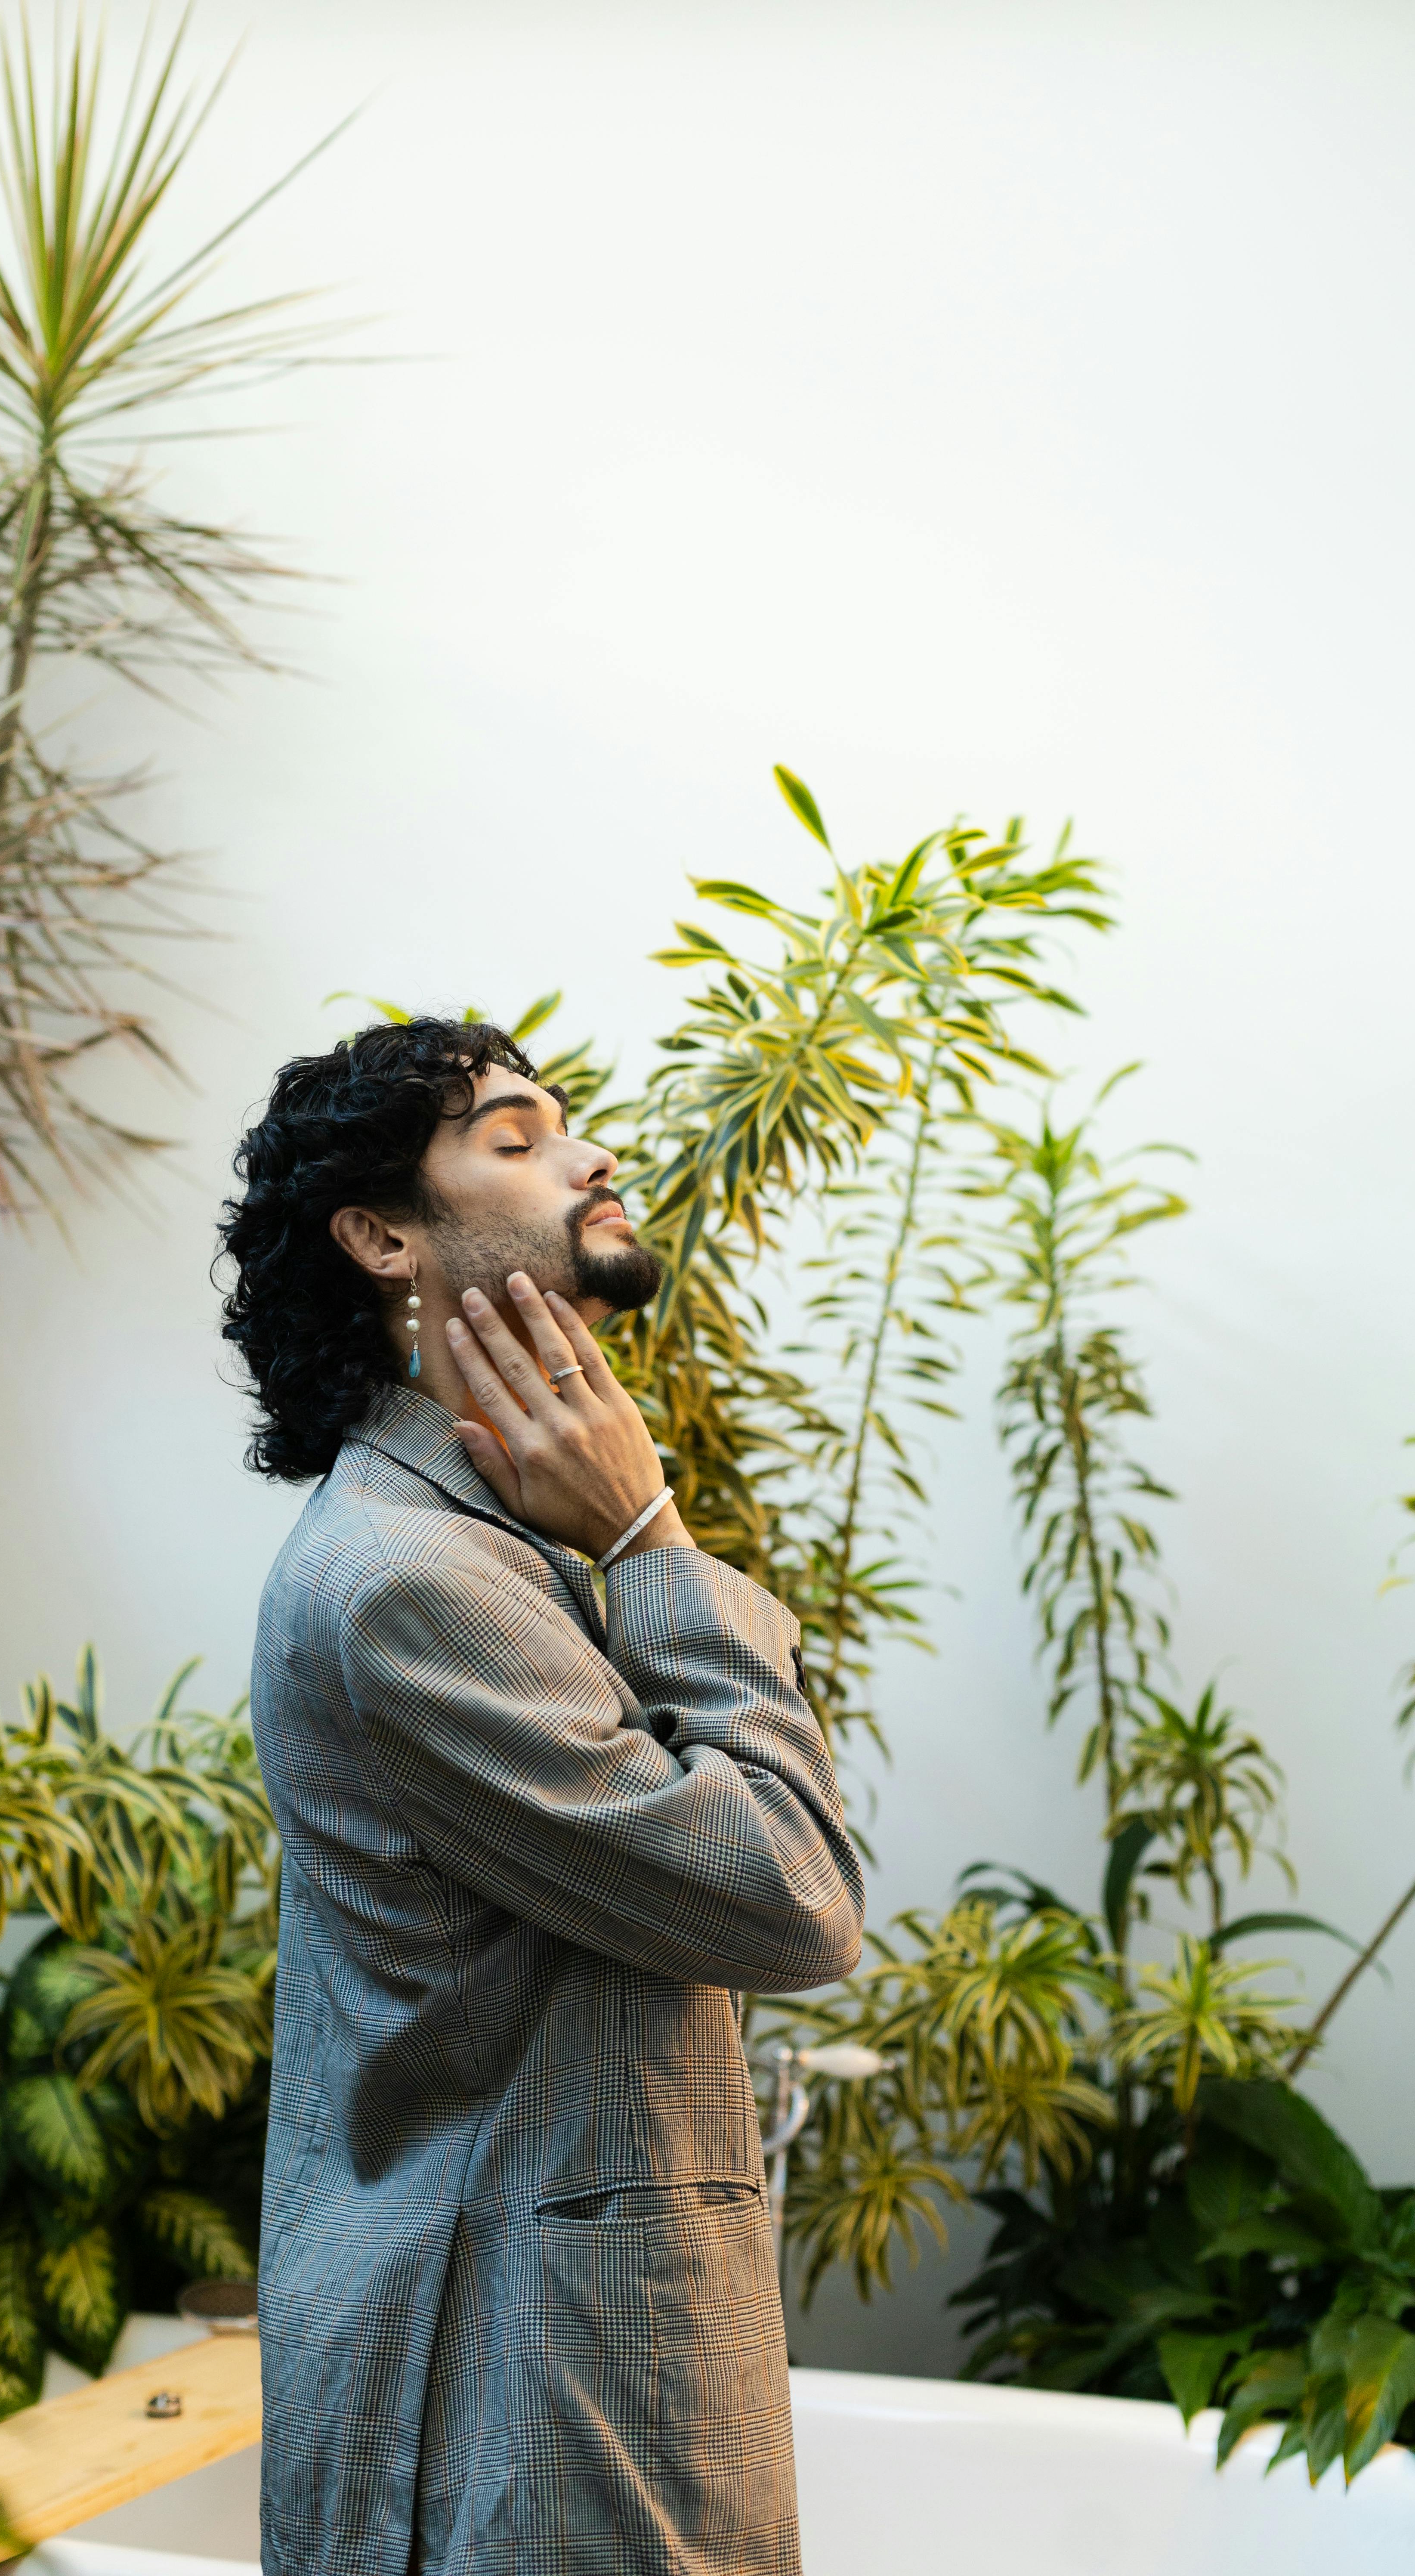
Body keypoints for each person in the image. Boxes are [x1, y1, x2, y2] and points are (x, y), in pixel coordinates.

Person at [217, 1016, 866, 2576]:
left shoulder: (488, 1545)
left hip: (561, 2377)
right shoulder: (411, 1581)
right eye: (515, 1137)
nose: (592, 1154)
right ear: (383, 1238)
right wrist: (652, 1534)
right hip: (529, 2407)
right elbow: (790, 1899)